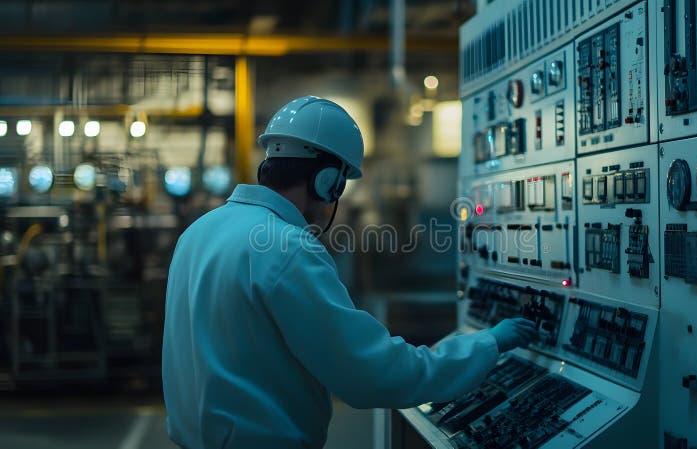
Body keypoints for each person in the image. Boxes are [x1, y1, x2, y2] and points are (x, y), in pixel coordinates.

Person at [162, 96, 540, 449]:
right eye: (338, 185)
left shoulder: (199, 232)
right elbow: (373, 373)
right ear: (328, 181)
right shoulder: (287, 248)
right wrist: (486, 345)